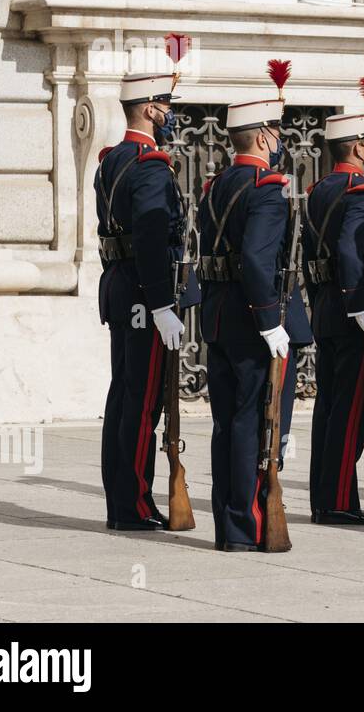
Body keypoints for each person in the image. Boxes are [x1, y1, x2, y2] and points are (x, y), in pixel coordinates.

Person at [196, 61, 312, 552]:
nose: (280, 140)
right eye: (277, 132)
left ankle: (230, 524)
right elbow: (256, 259)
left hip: (219, 314)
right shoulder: (265, 190)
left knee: (228, 424)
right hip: (250, 318)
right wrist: (270, 321)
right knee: (250, 422)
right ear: (264, 138)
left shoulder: (215, 187)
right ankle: (247, 526)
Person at [94, 69, 200, 530]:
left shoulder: (112, 160)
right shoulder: (151, 165)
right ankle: (134, 505)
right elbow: (153, 238)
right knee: (141, 401)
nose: (170, 115)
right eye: (167, 106)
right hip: (145, 291)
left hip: (120, 285)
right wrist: (161, 305)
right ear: (152, 109)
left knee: (123, 395)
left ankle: (120, 502)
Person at [303, 76, 364, 524]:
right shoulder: (361, 191)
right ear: (356, 147)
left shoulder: (318, 191)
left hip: (327, 311)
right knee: (351, 411)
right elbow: (350, 251)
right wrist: (360, 307)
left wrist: (322, 302)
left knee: (330, 406)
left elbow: (308, 255)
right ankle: (337, 501)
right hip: (355, 313)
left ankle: (325, 497)